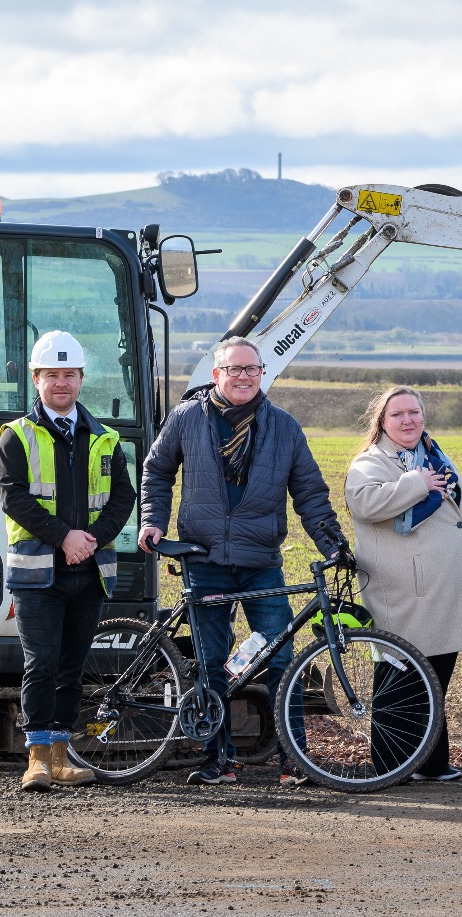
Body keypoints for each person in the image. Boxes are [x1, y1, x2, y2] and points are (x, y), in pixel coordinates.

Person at [138, 336, 349, 787]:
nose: (243, 376)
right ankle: (220, 761)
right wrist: (153, 520)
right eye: (233, 369)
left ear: (262, 374)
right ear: (216, 375)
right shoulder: (187, 418)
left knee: (281, 659)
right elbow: (156, 469)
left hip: (260, 561)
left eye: (251, 369)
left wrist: (332, 545)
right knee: (212, 661)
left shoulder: (284, 427)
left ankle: (295, 761)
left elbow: (310, 493)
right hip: (204, 557)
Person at [0, 330, 136, 792]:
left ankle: (61, 755)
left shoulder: (105, 439)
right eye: (51, 375)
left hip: (89, 572)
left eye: (69, 375)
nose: (61, 383)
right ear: (36, 380)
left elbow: (122, 498)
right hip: (38, 575)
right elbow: (13, 498)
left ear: (81, 380)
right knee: (42, 663)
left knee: (73, 665)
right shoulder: (17, 437)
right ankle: (36, 758)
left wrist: (90, 540)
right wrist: (64, 538)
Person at [346, 385, 462, 783]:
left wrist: (433, 483)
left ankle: (430, 762)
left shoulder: (433, 454)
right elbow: (364, 503)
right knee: (400, 677)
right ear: (382, 422)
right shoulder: (370, 462)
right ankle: (391, 764)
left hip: (443, 586)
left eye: (414, 412)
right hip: (403, 590)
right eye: (398, 414)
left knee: (435, 677)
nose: (408, 420)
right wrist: (418, 484)